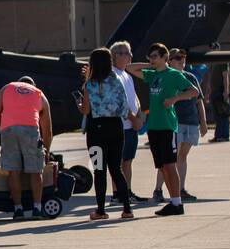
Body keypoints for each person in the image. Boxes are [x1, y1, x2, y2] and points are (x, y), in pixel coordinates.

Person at [124, 43, 200, 217]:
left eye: (155, 56)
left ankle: (177, 202)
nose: (152, 59)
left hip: (167, 126)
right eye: (150, 56)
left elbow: (193, 91)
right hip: (154, 127)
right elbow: (129, 68)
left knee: (170, 165)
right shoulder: (152, 75)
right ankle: (173, 202)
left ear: (165, 58)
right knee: (162, 167)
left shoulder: (173, 75)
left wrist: (175, 98)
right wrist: (148, 65)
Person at [79, 48, 134, 220]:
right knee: (116, 169)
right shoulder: (117, 79)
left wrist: (80, 106)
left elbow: (86, 109)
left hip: (96, 129)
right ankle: (127, 209)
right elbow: (125, 107)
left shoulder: (89, 84)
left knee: (99, 169)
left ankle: (101, 211)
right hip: (116, 126)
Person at [0, 75, 52, 220]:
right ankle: (37, 208)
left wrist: (2, 129)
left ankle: (18, 209)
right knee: (36, 171)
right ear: (32, 85)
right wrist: (47, 150)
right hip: (31, 130)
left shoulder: (6, 88)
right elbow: (47, 128)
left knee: (13, 172)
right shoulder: (39, 93)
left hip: (8, 130)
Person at [152, 49, 208, 202]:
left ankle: (181, 188)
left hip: (191, 122)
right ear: (169, 60)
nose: (181, 61)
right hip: (174, 123)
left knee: (182, 157)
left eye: (183, 59)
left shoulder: (191, 77)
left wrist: (203, 122)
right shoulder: (165, 77)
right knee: (169, 158)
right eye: (177, 58)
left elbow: (199, 100)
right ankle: (158, 189)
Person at [109, 41, 147, 202]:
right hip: (120, 126)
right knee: (117, 162)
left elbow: (134, 98)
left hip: (131, 125)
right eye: (126, 53)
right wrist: (134, 119)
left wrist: (139, 114)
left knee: (128, 161)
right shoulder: (112, 75)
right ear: (115, 56)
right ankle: (118, 193)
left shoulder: (126, 75)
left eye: (129, 52)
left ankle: (127, 191)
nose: (130, 55)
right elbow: (119, 103)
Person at [209, 64, 230, 143]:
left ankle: (224, 136)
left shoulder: (222, 60)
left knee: (223, 115)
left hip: (220, 92)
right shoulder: (212, 62)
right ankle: (218, 136)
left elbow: (225, 76)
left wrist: (226, 91)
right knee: (217, 116)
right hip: (214, 92)